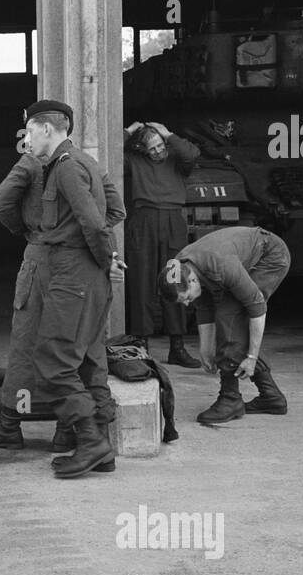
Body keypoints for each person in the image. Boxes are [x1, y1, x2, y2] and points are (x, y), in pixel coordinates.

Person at [0, 99, 120, 478]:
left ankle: (91, 441)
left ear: (47, 130)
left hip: (71, 270)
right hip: (81, 270)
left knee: (52, 359)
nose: (26, 141)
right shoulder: (85, 162)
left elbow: (93, 222)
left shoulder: (66, 168)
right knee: (86, 355)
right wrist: (104, 261)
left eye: (30, 133)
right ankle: (100, 448)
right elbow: (112, 210)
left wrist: (102, 258)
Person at [157, 226, 292, 423]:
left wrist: (252, 357)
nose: (186, 304)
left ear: (193, 280)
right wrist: (206, 350)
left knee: (230, 318)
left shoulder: (220, 264)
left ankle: (231, 399)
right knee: (229, 321)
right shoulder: (180, 268)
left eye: (185, 298)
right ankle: (271, 396)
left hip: (270, 257)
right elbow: (204, 307)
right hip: (241, 257)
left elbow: (257, 308)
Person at [123, 121, 202, 368]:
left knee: (175, 279)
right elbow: (108, 152)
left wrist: (168, 133)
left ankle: (177, 347)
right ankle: (142, 346)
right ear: (142, 149)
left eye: (159, 146)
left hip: (172, 220)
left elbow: (192, 153)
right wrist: (129, 131)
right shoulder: (133, 160)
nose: (157, 152)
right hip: (143, 219)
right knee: (142, 282)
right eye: (151, 149)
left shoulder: (178, 161)